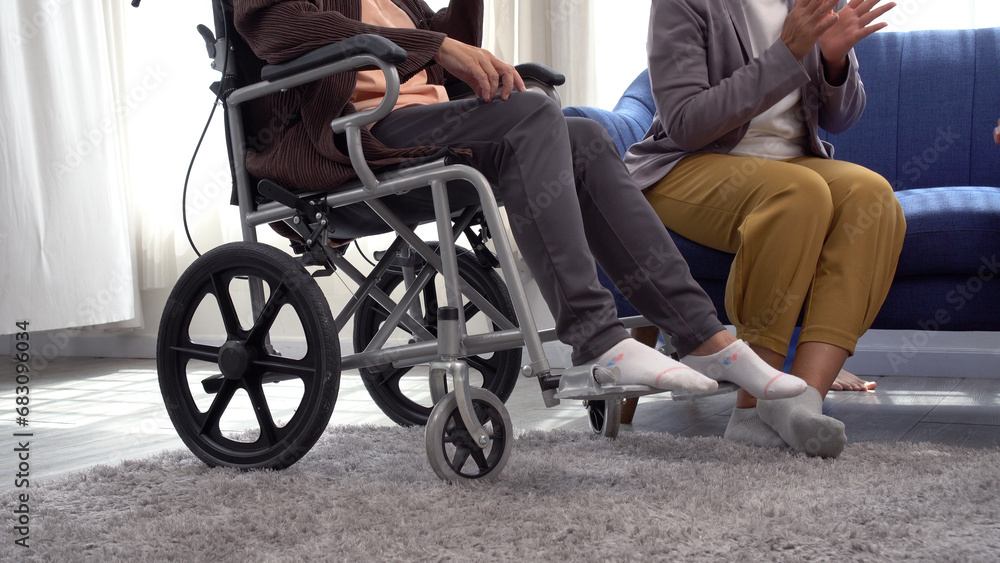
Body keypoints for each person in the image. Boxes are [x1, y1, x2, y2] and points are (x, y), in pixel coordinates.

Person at [233, 0, 811, 419]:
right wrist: (440, 47)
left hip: (421, 129)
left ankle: (706, 338)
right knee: (535, 114)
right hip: (348, 139)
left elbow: (436, 48)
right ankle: (595, 342)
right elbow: (275, 28)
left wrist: (453, 24)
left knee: (582, 136)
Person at [624, 0, 906, 456]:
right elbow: (687, 123)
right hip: (689, 165)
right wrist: (787, 53)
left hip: (793, 164)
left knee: (872, 196)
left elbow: (841, 118)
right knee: (799, 194)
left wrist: (833, 62)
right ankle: (753, 407)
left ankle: (801, 404)